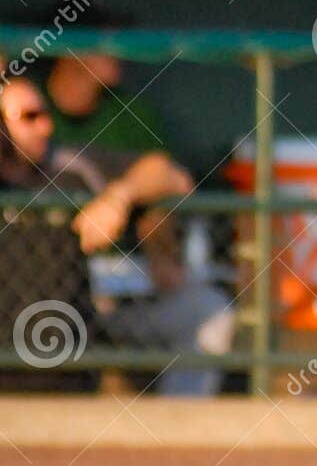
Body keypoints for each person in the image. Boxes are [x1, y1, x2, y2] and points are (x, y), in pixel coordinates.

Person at [0, 77, 234, 396]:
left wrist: (118, 197)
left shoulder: (69, 167)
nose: (45, 126)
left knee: (206, 308)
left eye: (44, 114)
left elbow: (172, 176)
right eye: (29, 117)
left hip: (86, 324)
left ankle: (177, 422)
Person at [45, 52, 168, 155]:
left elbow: (165, 169)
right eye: (100, 38)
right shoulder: (35, 102)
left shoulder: (133, 113)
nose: (116, 51)